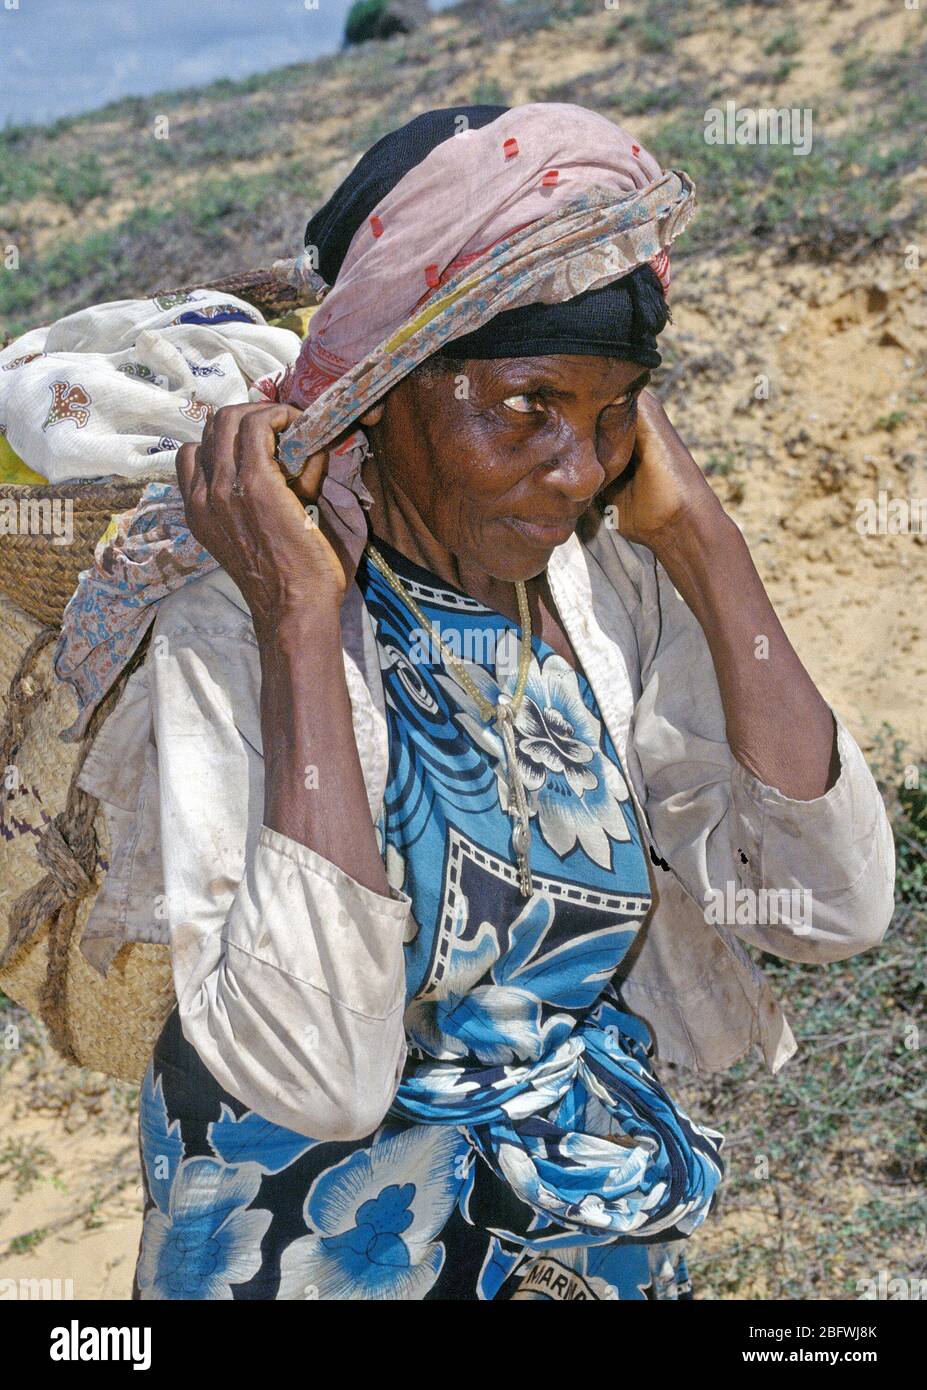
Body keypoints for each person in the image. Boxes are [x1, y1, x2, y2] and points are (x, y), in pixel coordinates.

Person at [68, 105, 894, 1300]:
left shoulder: (599, 587)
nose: (574, 469)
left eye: (614, 414)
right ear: (386, 386)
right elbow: (320, 1072)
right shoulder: (238, 617)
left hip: (568, 1247)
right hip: (301, 1257)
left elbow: (834, 905)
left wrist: (706, 545)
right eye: (523, 403)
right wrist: (301, 624)